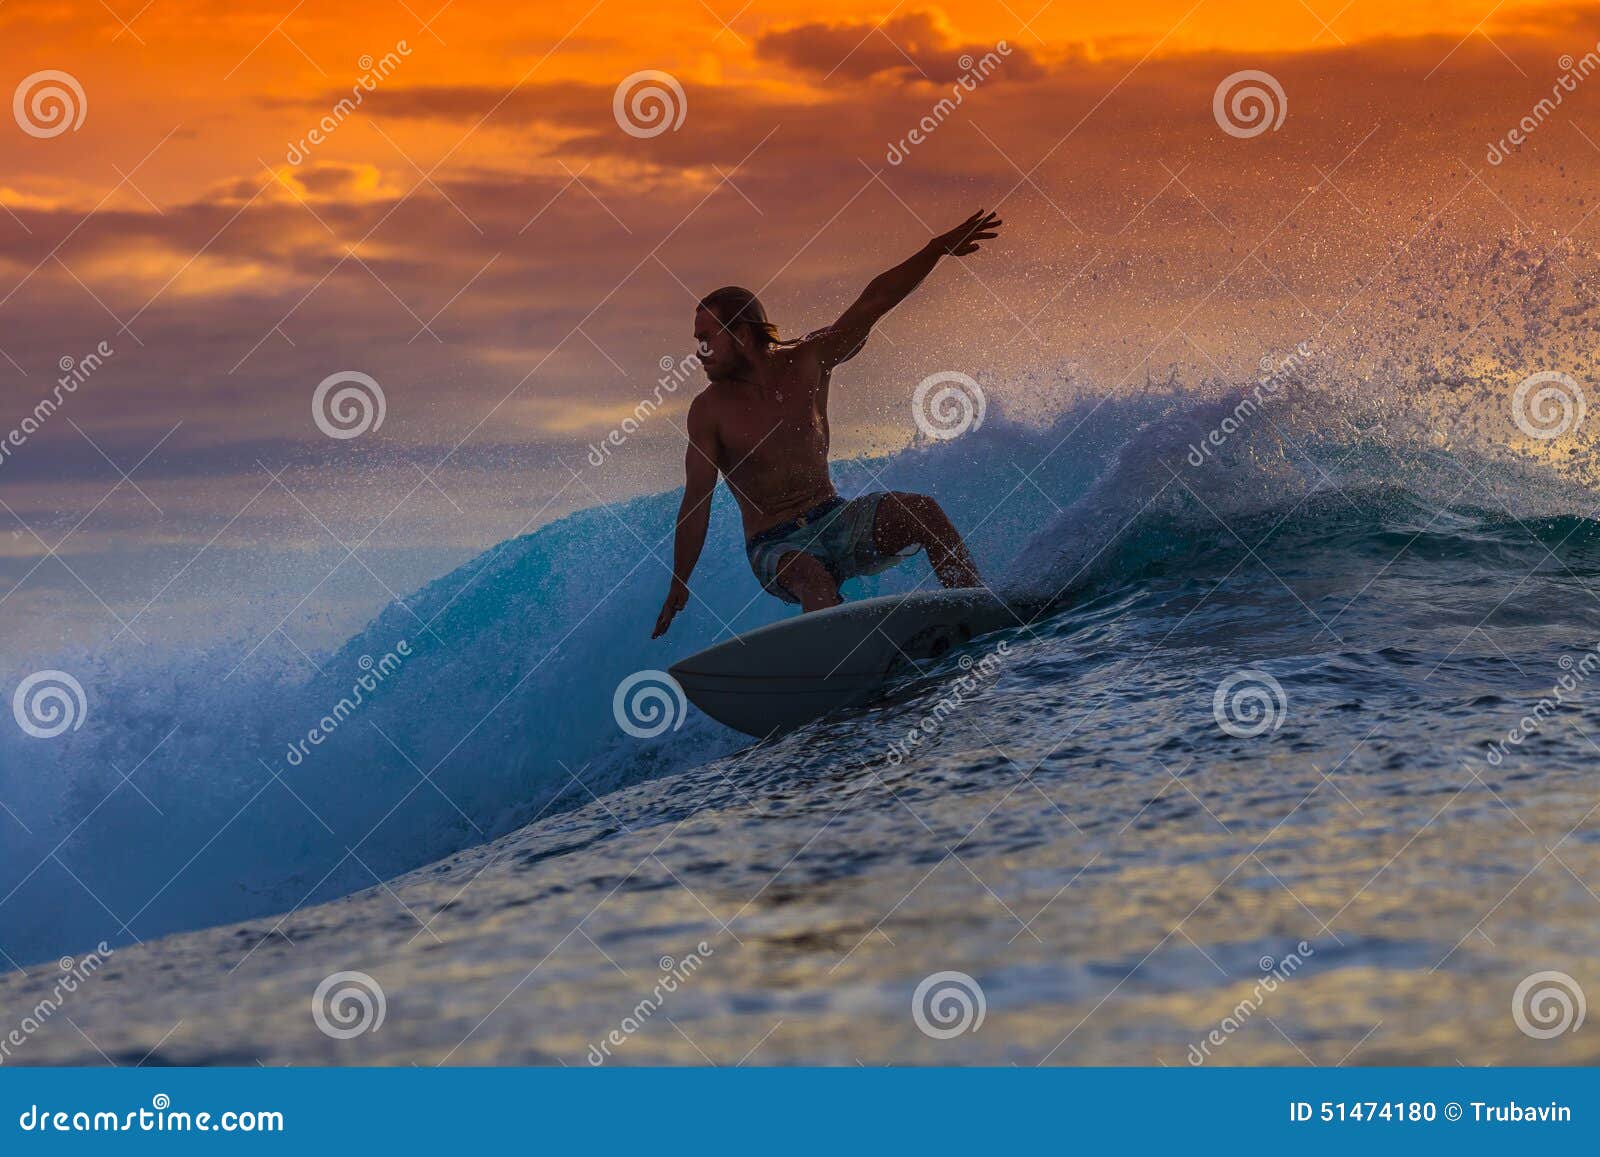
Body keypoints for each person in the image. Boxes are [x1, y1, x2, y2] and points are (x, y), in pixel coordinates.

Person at [651, 210, 1001, 639]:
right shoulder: (708, 411)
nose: (700, 351)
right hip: (777, 546)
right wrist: (680, 580)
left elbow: (872, 303)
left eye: (707, 338)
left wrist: (933, 251)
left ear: (741, 334)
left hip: (835, 517)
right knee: (813, 579)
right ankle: (843, 678)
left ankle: (977, 616)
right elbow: (696, 501)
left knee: (923, 512)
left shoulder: (809, 361)